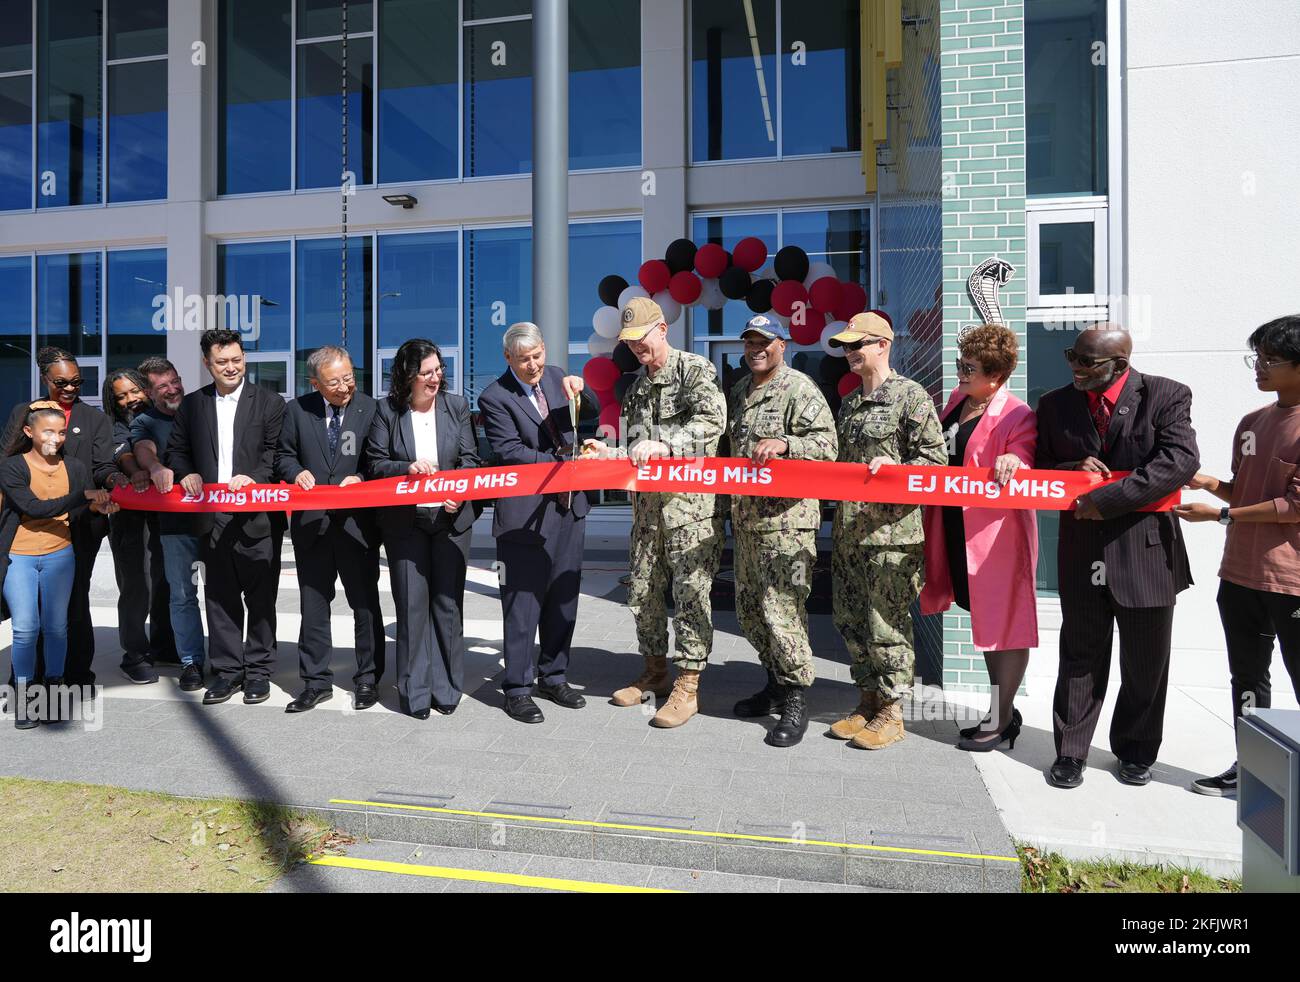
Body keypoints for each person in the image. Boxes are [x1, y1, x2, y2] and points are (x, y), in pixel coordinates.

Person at [1035, 323, 1199, 789]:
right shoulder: (1054, 404)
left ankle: (1135, 752)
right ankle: (1070, 753)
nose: (1075, 367)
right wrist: (1071, 469)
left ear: (1120, 365)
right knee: (1080, 657)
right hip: (1081, 554)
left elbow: (1178, 462)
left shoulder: (1166, 396)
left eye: (1087, 361)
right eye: (1072, 355)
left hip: (1146, 553)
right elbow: (1041, 465)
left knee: (1146, 664)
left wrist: (1105, 499)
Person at [584, 297, 726, 729]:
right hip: (646, 515)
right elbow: (636, 451)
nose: (636, 348)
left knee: (689, 597)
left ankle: (688, 683)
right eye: (629, 342)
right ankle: (655, 670)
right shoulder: (638, 388)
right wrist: (608, 453)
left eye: (641, 338)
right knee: (643, 594)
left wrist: (669, 444)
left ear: (662, 329)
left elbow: (712, 422)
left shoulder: (694, 370)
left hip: (689, 513)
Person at [1175, 315, 1300, 796]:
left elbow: (1294, 506)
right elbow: (1246, 492)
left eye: (1271, 358)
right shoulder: (1252, 422)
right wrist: (1212, 485)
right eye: (1258, 356)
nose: (1260, 367)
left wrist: (1221, 515)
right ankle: (1253, 769)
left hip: (1291, 581)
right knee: (1247, 677)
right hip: (1241, 574)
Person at [827, 311, 946, 750]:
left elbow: (935, 463)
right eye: (844, 346)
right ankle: (868, 700)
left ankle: (893, 712)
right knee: (851, 619)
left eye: (856, 344)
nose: (849, 353)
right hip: (849, 534)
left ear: (882, 344)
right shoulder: (849, 403)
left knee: (886, 623)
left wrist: (899, 468)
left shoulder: (910, 397)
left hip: (892, 537)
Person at [919, 324, 1038, 751]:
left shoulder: (1016, 414)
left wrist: (1013, 458)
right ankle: (1000, 708)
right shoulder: (957, 401)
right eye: (960, 363)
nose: (960, 372)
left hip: (995, 538)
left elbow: (1023, 454)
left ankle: (1002, 717)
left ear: (997, 374)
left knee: (1006, 626)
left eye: (969, 367)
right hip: (955, 528)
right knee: (986, 622)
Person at [726, 314, 837, 747]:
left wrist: (789, 443)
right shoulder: (738, 391)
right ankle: (774, 680)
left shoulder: (799, 389)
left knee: (782, 612)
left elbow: (829, 447)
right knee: (750, 613)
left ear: (782, 344)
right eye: (750, 341)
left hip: (787, 526)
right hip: (748, 525)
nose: (756, 348)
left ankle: (795, 697)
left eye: (765, 341)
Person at [478, 323, 597, 724]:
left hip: (568, 509)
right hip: (523, 517)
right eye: (524, 359)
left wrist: (585, 392)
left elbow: (592, 416)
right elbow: (509, 451)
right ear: (508, 358)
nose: (533, 366)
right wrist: (564, 464)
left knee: (563, 601)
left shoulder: (559, 376)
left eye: (537, 356)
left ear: (544, 349)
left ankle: (554, 674)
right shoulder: (494, 396)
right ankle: (517, 688)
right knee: (522, 605)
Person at [165, 329, 286, 706]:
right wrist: (184, 471)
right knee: (219, 598)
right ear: (207, 364)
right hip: (211, 517)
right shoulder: (192, 405)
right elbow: (177, 450)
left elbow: (277, 452)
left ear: (244, 359)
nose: (231, 367)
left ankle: (259, 671)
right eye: (221, 362)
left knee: (261, 598)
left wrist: (256, 478)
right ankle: (228, 672)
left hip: (258, 519)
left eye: (236, 360)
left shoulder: (269, 402)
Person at [364, 339, 482, 720]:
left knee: (448, 606)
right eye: (427, 373)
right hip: (406, 524)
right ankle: (415, 693)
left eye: (438, 370)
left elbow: (470, 460)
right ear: (407, 377)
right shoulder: (387, 412)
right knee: (412, 609)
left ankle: (447, 690)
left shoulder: (457, 406)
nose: (436, 378)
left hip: (450, 522)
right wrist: (407, 468)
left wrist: (459, 493)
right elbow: (375, 464)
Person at [275, 346, 385, 713]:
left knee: (365, 605)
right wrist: (294, 472)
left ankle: (368, 678)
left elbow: (379, 458)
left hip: (357, 525)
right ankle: (315, 681)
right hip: (313, 525)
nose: (345, 386)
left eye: (349, 376)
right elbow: (283, 455)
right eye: (335, 381)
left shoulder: (370, 408)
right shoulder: (297, 409)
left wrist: (362, 476)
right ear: (315, 383)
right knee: (314, 606)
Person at [2, 348, 115, 687]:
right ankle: (28, 680)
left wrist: (113, 484)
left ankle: (76, 675)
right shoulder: (24, 413)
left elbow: (103, 466)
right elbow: (8, 459)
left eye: (77, 382)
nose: (70, 388)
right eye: (62, 382)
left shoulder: (93, 418)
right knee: (29, 613)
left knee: (73, 603)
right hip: (26, 530)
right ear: (45, 379)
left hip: (78, 526)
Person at [131, 357, 206, 692]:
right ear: (149, 392)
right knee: (182, 595)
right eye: (163, 386)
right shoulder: (144, 420)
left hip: (218, 518)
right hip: (175, 524)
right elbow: (143, 450)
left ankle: (230, 658)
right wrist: (157, 468)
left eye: (175, 381)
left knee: (223, 594)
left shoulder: (202, 406)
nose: (173, 389)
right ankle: (191, 662)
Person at [103, 368, 176, 685]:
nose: (130, 399)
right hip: (130, 518)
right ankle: (134, 655)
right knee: (137, 586)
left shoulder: (165, 418)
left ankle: (164, 646)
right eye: (121, 395)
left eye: (134, 391)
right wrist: (136, 471)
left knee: (166, 582)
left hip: (167, 515)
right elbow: (124, 453)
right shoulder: (112, 426)